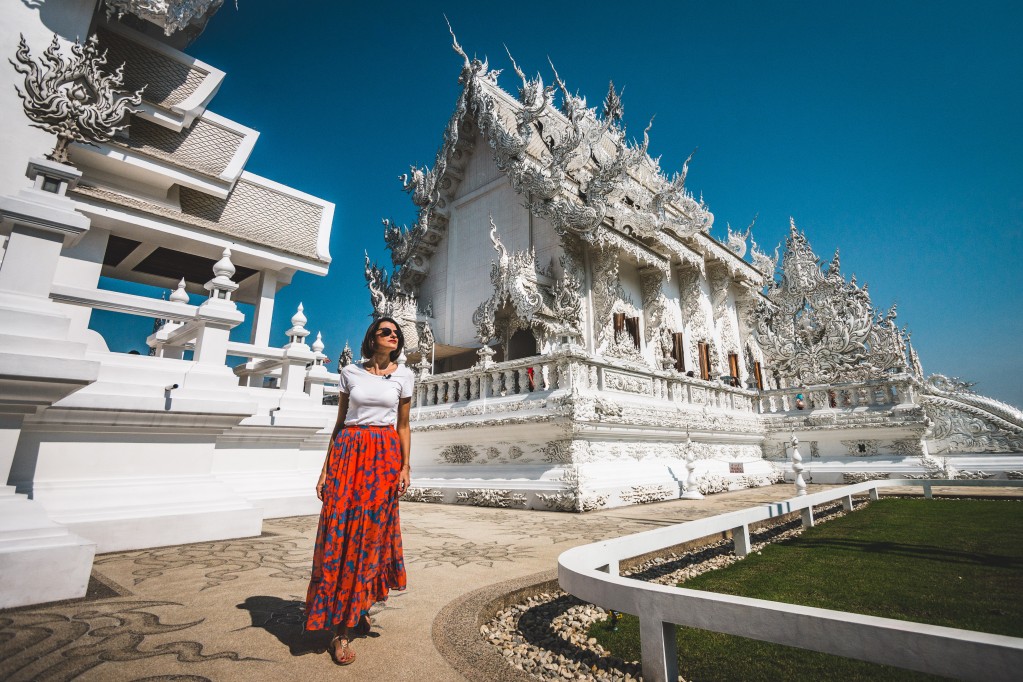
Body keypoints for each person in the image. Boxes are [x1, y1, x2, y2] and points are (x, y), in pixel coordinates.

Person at [305, 316, 413, 666]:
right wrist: (325, 471)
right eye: (386, 332)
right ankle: (339, 629)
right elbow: (339, 425)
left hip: (383, 459)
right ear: (372, 338)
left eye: (396, 333)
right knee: (342, 536)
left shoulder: (404, 376)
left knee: (372, 537)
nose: (393, 336)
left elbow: (403, 425)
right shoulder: (351, 373)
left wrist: (405, 467)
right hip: (349, 456)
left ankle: (359, 604)